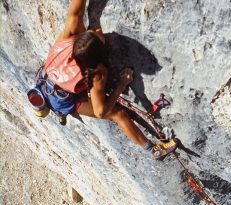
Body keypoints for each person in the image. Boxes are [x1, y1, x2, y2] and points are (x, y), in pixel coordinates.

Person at [39, 0, 177, 160]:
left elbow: (75, 12)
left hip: (47, 81)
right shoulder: (97, 75)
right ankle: (154, 150)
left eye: (94, 32)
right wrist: (122, 84)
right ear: (98, 62)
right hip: (64, 100)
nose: (98, 29)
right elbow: (100, 111)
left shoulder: (70, 35)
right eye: (98, 35)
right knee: (118, 114)